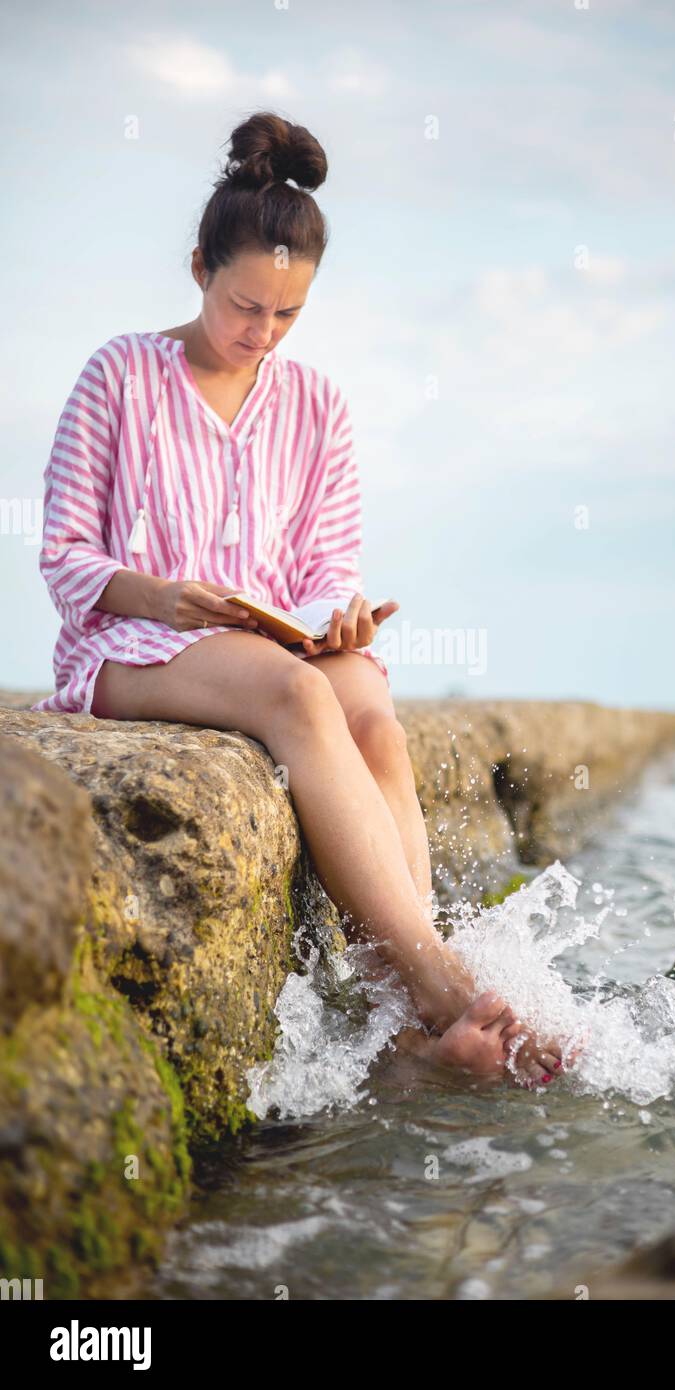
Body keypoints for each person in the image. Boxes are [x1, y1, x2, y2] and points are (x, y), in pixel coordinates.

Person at [32, 111, 570, 1088]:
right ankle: (441, 991)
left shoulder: (315, 403)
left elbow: (327, 560)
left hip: (271, 639)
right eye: (245, 306)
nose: (261, 332)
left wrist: (341, 614)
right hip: (129, 642)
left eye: (286, 315)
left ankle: (403, 1029)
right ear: (198, 266)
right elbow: (63, 557)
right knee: (299, 695)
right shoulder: (117, 376)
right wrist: (163, 593)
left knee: (364, 695)